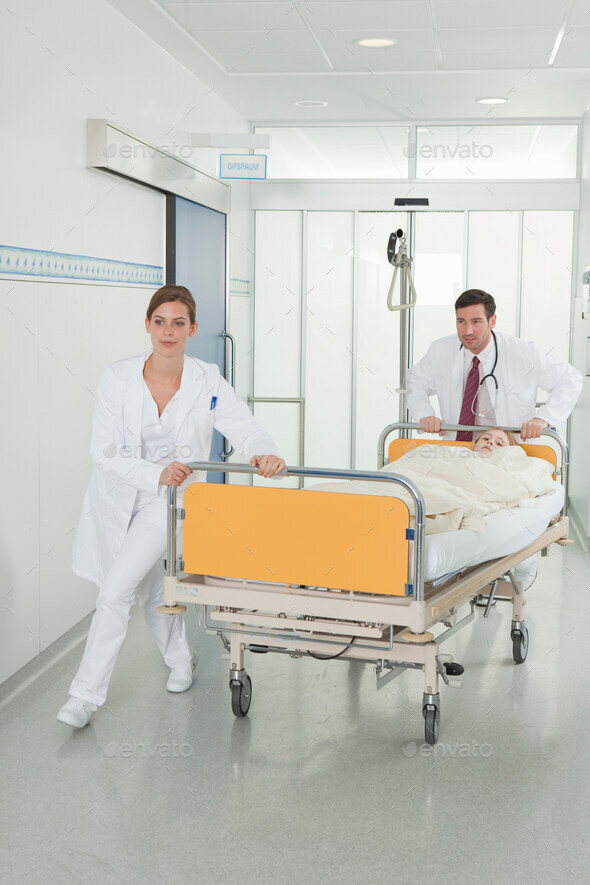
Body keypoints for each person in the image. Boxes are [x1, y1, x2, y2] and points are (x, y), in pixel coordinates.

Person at [57, 285, 285, 729]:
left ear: (192, 329)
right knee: (148, 591)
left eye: (178, 323)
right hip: (118, 494)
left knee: (114, 592)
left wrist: (261, 452)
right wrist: (153, 472)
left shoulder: (207, 379)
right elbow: (102, 451)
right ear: (147, 325)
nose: (168, 331)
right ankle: (182, 660)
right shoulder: (117, 378)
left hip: (169, 502)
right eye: (159, 321)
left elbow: (241, 422)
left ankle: (84, 696)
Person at [406, 289, 582, 442]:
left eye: (476, 322)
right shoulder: (441, 350)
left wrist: (544, 419)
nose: (467, 331)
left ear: (492, 321)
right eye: (461, 322)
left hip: (509, 454)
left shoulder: (521, 352)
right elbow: (414, 382)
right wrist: (425, 414)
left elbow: (569, 379)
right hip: (458, 452)